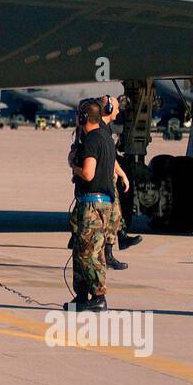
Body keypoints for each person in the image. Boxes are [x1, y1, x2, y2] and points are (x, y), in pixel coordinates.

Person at [67, 99, 127, 311]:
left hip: (92, 205)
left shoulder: (92, 140)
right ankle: (82, 296)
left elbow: (88, 173)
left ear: (83, 117)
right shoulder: (106, 138)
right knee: (82, 249)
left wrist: (75, 167)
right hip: (102, 203)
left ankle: (98, 296)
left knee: (88, 253)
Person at [98, 94, 140, 271]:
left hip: (108, 181)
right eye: (115, 108)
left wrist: (121, 174)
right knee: (103, 220)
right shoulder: (96, 131)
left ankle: (115, 245)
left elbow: (111, 156)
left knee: (114, 216)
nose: (117, 112)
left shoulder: (105, 129)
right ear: (107, 110)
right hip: (99, 185)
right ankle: (105, 253)